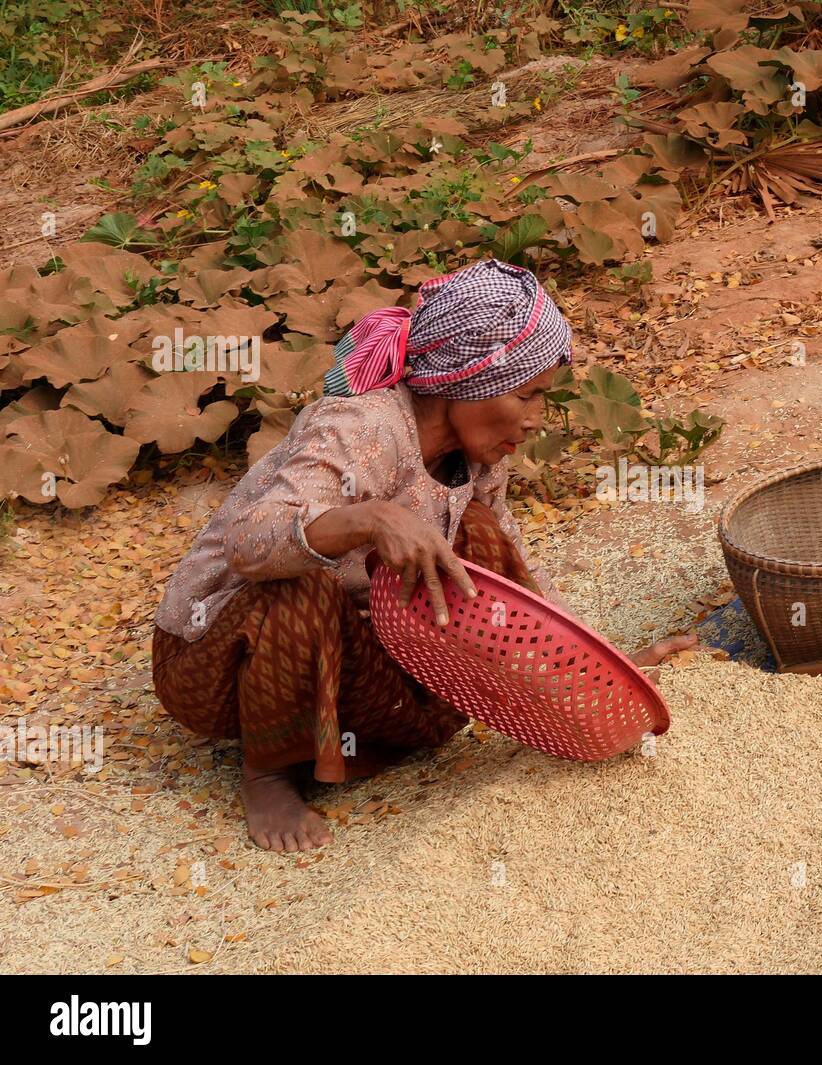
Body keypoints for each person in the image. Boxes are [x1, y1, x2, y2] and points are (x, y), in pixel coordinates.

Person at [151, 259, 696, 852]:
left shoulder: (479, 455)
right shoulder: (362, 426)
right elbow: (252, 543)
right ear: (472, 379)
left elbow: (514, 567)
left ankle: (347, 738)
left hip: (355, 646)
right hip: (219, 663)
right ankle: (269, 771)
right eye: (528, 395)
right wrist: (374, 517)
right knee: (301, 585)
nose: (536, 418)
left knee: (482, 536)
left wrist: (595, 663)